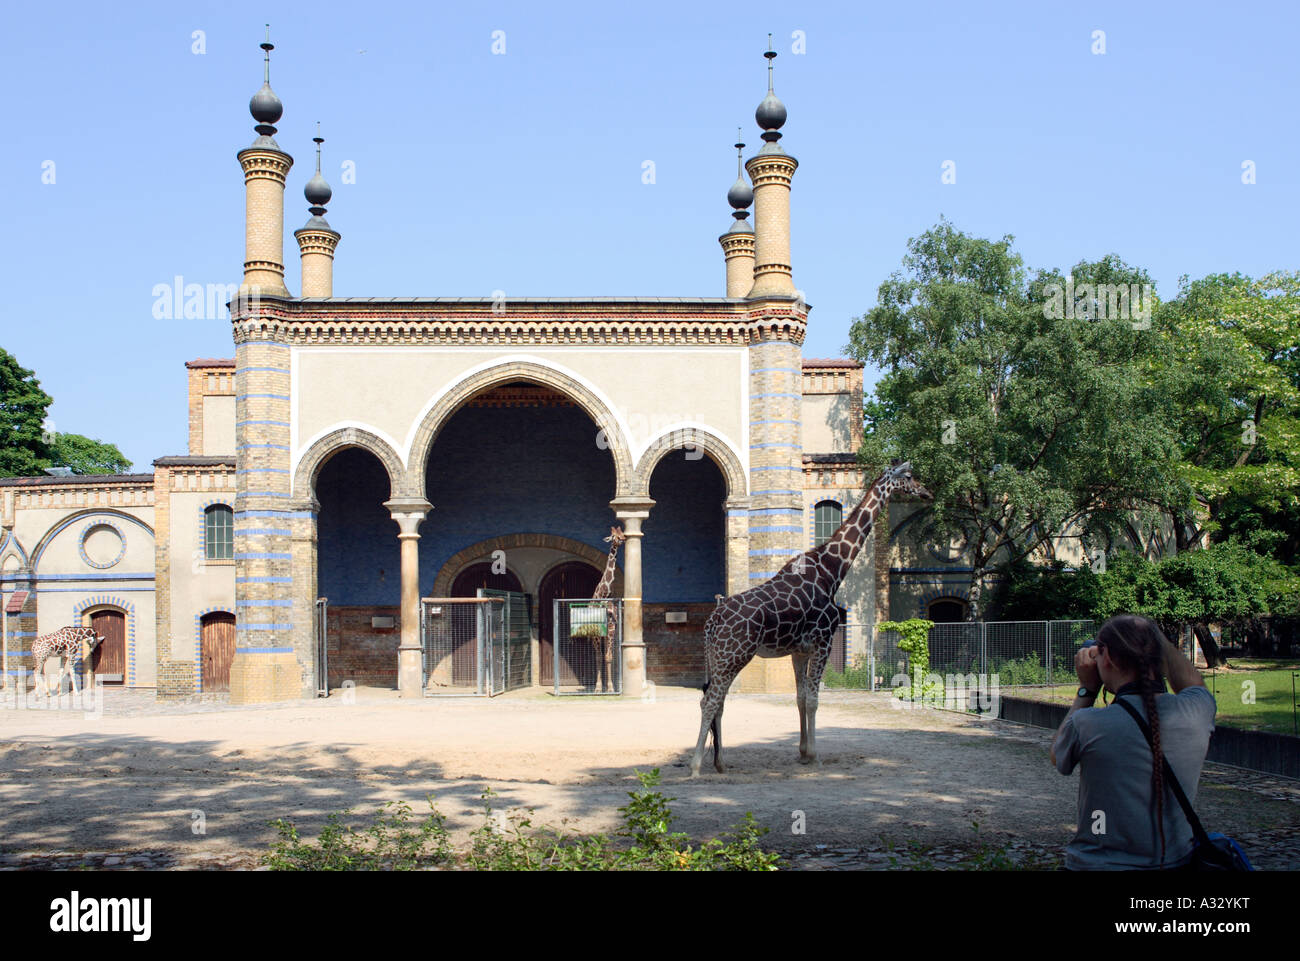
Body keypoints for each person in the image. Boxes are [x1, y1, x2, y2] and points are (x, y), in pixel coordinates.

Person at [1050, 614, 1217, 870]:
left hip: (1097, 865)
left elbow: (1058, 758)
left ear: (1109, 658)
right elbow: (1193, 683)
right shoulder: (1197, 710)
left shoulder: (1088, 723)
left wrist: (1087, 689)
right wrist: (1154, 635)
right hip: (1176, 863)